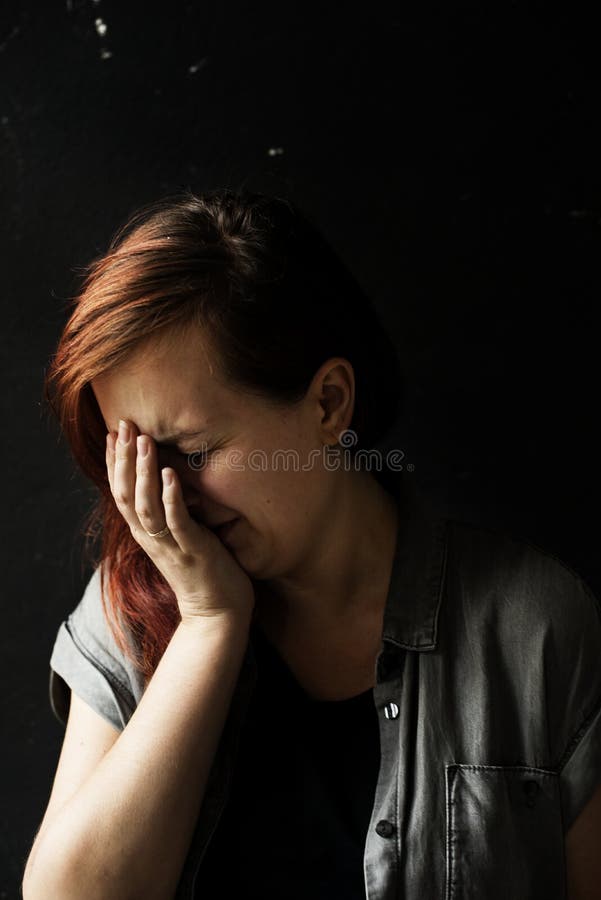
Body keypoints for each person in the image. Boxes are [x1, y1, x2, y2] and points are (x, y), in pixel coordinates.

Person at [22, 189, 601, 900]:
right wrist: (208, 624)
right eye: (134, 459)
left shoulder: (534, 627)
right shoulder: (127, 608)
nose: (160, 502)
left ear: (328, 404)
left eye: (193, 452)